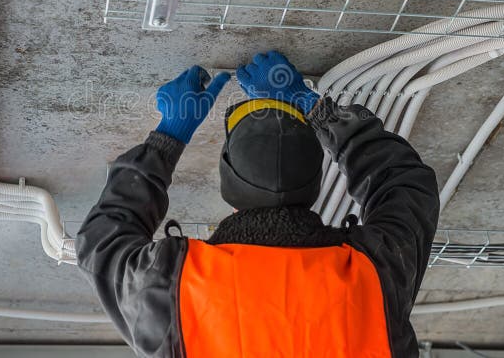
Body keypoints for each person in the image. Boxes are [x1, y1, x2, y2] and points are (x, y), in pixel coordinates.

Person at [77, 51, 439, 358]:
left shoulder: (375, 275)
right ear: (316, 184)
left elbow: (102, 243)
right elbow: (101, 244)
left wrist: (170, 135)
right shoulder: (371, 273)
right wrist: (166, 138)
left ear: (228, 186)